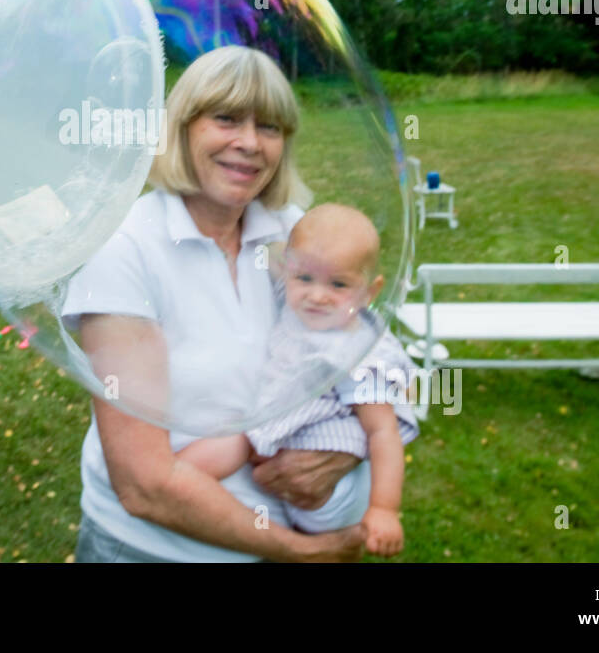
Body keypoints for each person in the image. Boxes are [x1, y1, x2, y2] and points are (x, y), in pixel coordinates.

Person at [61, 45, 369, 562]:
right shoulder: (124, 251)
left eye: (269, 127)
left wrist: (347, 447)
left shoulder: (293, 232)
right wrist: (296, 551)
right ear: (183, 128)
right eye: (225, 119)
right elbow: (144, 484)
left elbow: (375, 360)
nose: (249, 143)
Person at [177, 203, 420, 556]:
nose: (317, 295)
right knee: (242, 437)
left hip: (326, 494)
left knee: (246, 439)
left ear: (369, 293)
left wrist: (383, 508)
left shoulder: (357, 354)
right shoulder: (298, 311)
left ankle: (179, 477)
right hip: (279, 441)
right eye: (304, 278)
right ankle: (175, 477)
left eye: (338, 284)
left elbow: (383, 433)